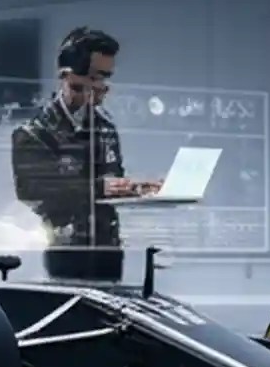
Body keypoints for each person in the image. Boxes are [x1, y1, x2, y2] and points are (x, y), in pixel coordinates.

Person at [10, 26, 160, 281]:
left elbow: (113, 181)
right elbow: (33, 192)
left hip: (108, 250)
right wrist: (105, 188)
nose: (104, 87)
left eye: (107, 78)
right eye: (97, 77)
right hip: (65, 250)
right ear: (69, 77)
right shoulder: (34, 134)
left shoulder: (105, 128)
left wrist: (137, 188)